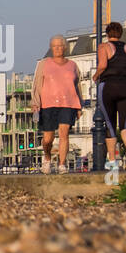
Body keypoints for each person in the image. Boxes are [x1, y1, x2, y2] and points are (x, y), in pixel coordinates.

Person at [92, 21, 126, 170]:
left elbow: (102, 65)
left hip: (108, 86)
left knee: (109, 124)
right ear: (120, 34)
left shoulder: (104, 47)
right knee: (125, 123)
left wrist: (95, 76)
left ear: (107, 34)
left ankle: (113, 163)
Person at [31, 34, 82, 173]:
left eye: (60, 46)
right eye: (55, 46)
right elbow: (36, 84)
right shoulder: (44, 64)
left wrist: (79, 106)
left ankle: (61, 164)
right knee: (48, 139)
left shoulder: (73, 65)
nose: (58, 48)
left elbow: (77, 86)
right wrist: (35, 103)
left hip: (68, 103)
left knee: (64, 134)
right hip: (47, 104)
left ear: (65, 47)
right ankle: (47, 158)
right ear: (51, 48)